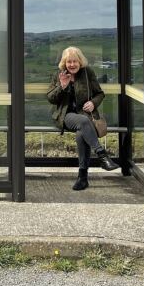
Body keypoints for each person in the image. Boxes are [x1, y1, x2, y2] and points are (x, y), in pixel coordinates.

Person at [46, 46, 120, 191]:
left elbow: (100, 93)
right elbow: (51, 99)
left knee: (82, 134)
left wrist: (93, 103)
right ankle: (102, 155)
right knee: (84, 122)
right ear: (64, 63)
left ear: (80, 62)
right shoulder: (59, 74)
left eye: (75, 61)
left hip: (84, 116)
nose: (72, 65)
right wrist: (62, 86)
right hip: (65, 116)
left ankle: (82, 178)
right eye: (69, 62)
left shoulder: (87, 73)